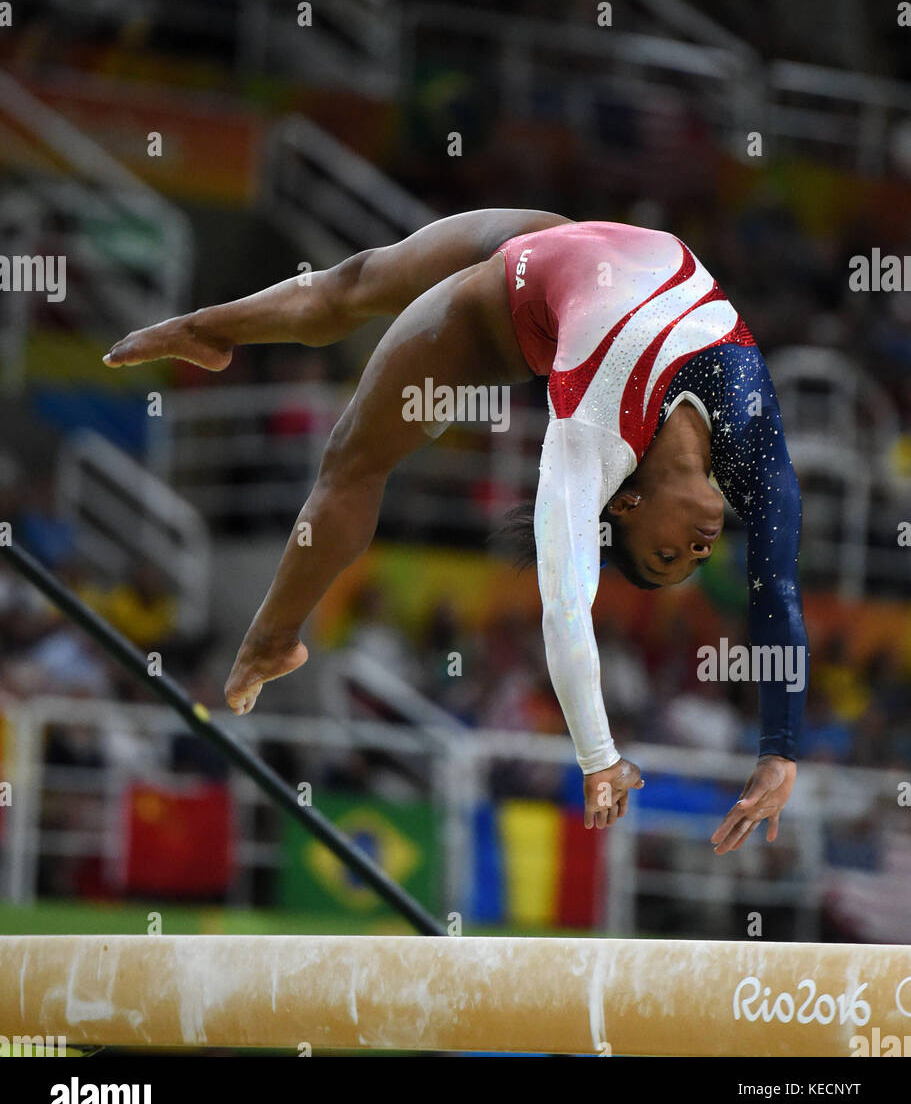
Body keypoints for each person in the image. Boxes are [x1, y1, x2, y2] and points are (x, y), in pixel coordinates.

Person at [104, 210, 807, 850]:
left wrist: (764, 754)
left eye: (668, 558)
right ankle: (208, 327)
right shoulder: (746, 441)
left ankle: (271, 636)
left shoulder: (588, 444)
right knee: (354, 281)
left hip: (510, 308)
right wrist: (764, 749)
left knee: (352, 459)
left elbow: (566, 610)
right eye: (681, 556)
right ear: (624, 507)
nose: (697, 549)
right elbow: (772, 586)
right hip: (567, 247)